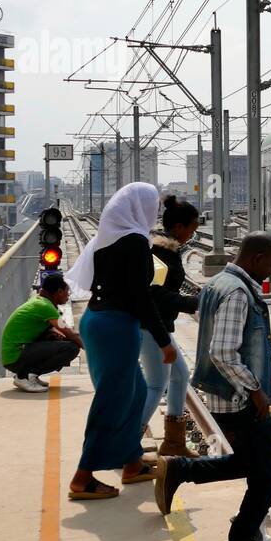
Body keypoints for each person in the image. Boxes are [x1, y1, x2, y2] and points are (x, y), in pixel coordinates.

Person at [154, 232, 271, 541]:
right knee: (266, 478)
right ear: (256, 258)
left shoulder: (216, 283)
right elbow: (222, 351)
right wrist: (254, 390)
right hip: (239, 398)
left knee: (250, 465)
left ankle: (183, 470)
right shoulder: (238, 293)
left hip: (221, 396)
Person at [64, 182, 173, 500]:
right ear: (141, 208)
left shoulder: (105, 240)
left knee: (136, 392)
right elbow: (141, 296)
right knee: (112, 401)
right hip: (116, 325)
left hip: (95, 321)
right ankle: (83, 477)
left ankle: (132, 462)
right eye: (154, 205)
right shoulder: (136, 241)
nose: (156, 212)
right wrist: (164, 340)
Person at [140, 196, 202, 456]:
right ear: (178, 227)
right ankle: (128, 441)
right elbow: (154, 295)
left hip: (160, 326)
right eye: (192, 228)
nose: (193, 233)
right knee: (156, 384)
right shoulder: (162, 253)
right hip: (152, 327)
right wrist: (192, 302)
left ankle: (174, 442)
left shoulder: (168, 250)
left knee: (179, 376)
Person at [1, 273, 82, 393]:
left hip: (14, 355)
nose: (68, 295)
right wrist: (92, 350)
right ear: (59, 291)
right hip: (16, 356)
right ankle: (25, 376)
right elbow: (69, 333)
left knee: (62, 341)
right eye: (67, 291)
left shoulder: (39, 301)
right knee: (72, 348)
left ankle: (30, 375)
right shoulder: (45, 306)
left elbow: (61, 332)